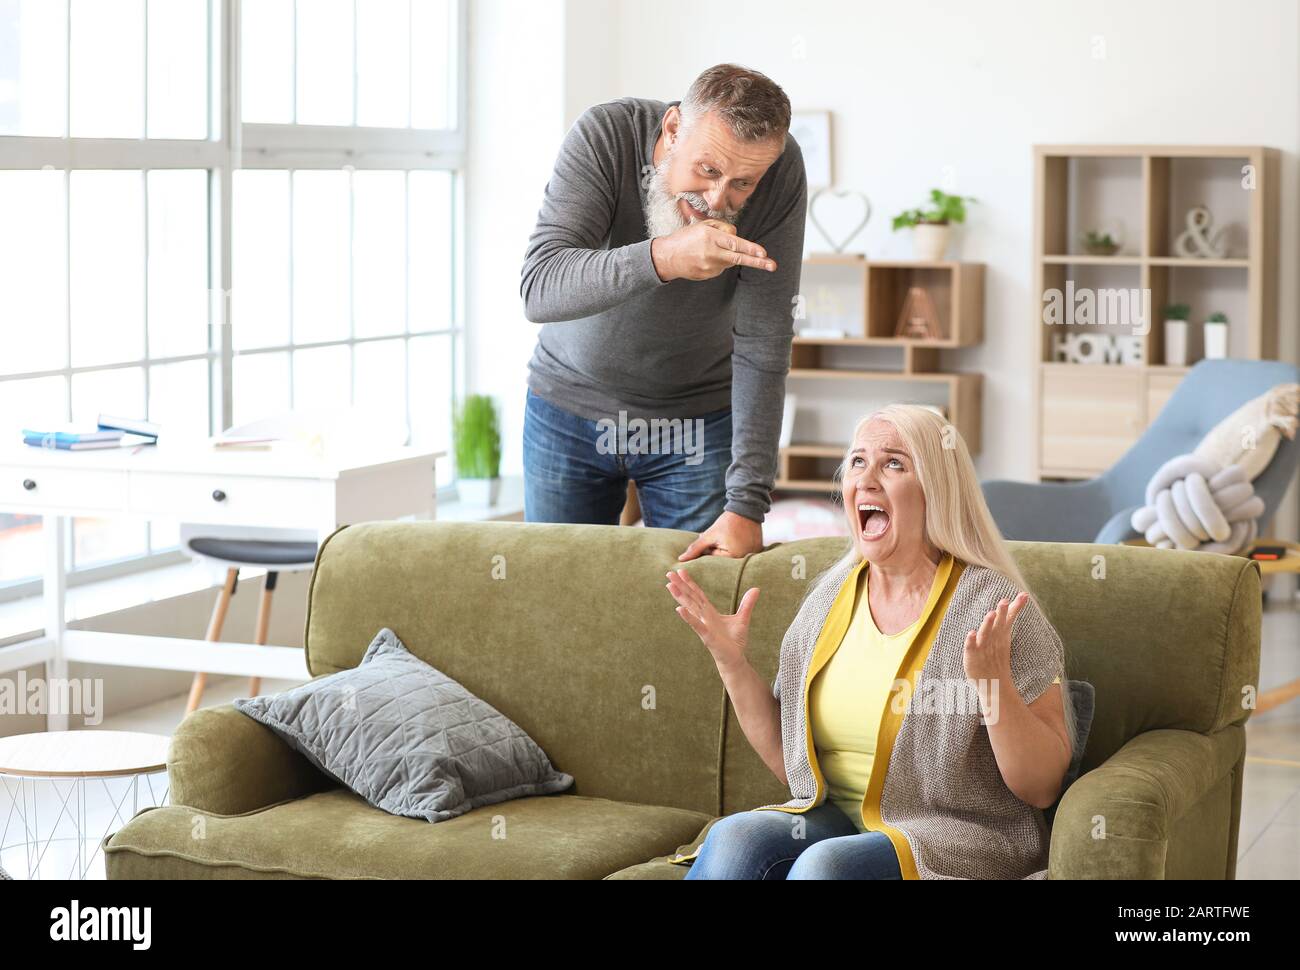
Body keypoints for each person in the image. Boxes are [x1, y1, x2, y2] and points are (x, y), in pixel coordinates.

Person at [664, 404, 1077, 879]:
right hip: (835, 822)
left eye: (894, 464)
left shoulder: (996, 607)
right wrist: (731, 661)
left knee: (826, 865)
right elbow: (793, 767)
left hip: (956, 836)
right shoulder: (828, 601)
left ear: (936, 490)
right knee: (735, 836)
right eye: (858, 461)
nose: (866, 479)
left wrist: (994, 684)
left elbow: (1041, 788)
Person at [520, 63, 807, 561]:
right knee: (557, 591)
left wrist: (747, 504)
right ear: (673, 129)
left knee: (697, 596)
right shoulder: (607, 135)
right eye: (708, 170)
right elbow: (540, 287)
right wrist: (665, 258)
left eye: (743, 183)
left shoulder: (780, 169)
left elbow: (764, 340)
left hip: (698, 421)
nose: (717, 200)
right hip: (567, 407)